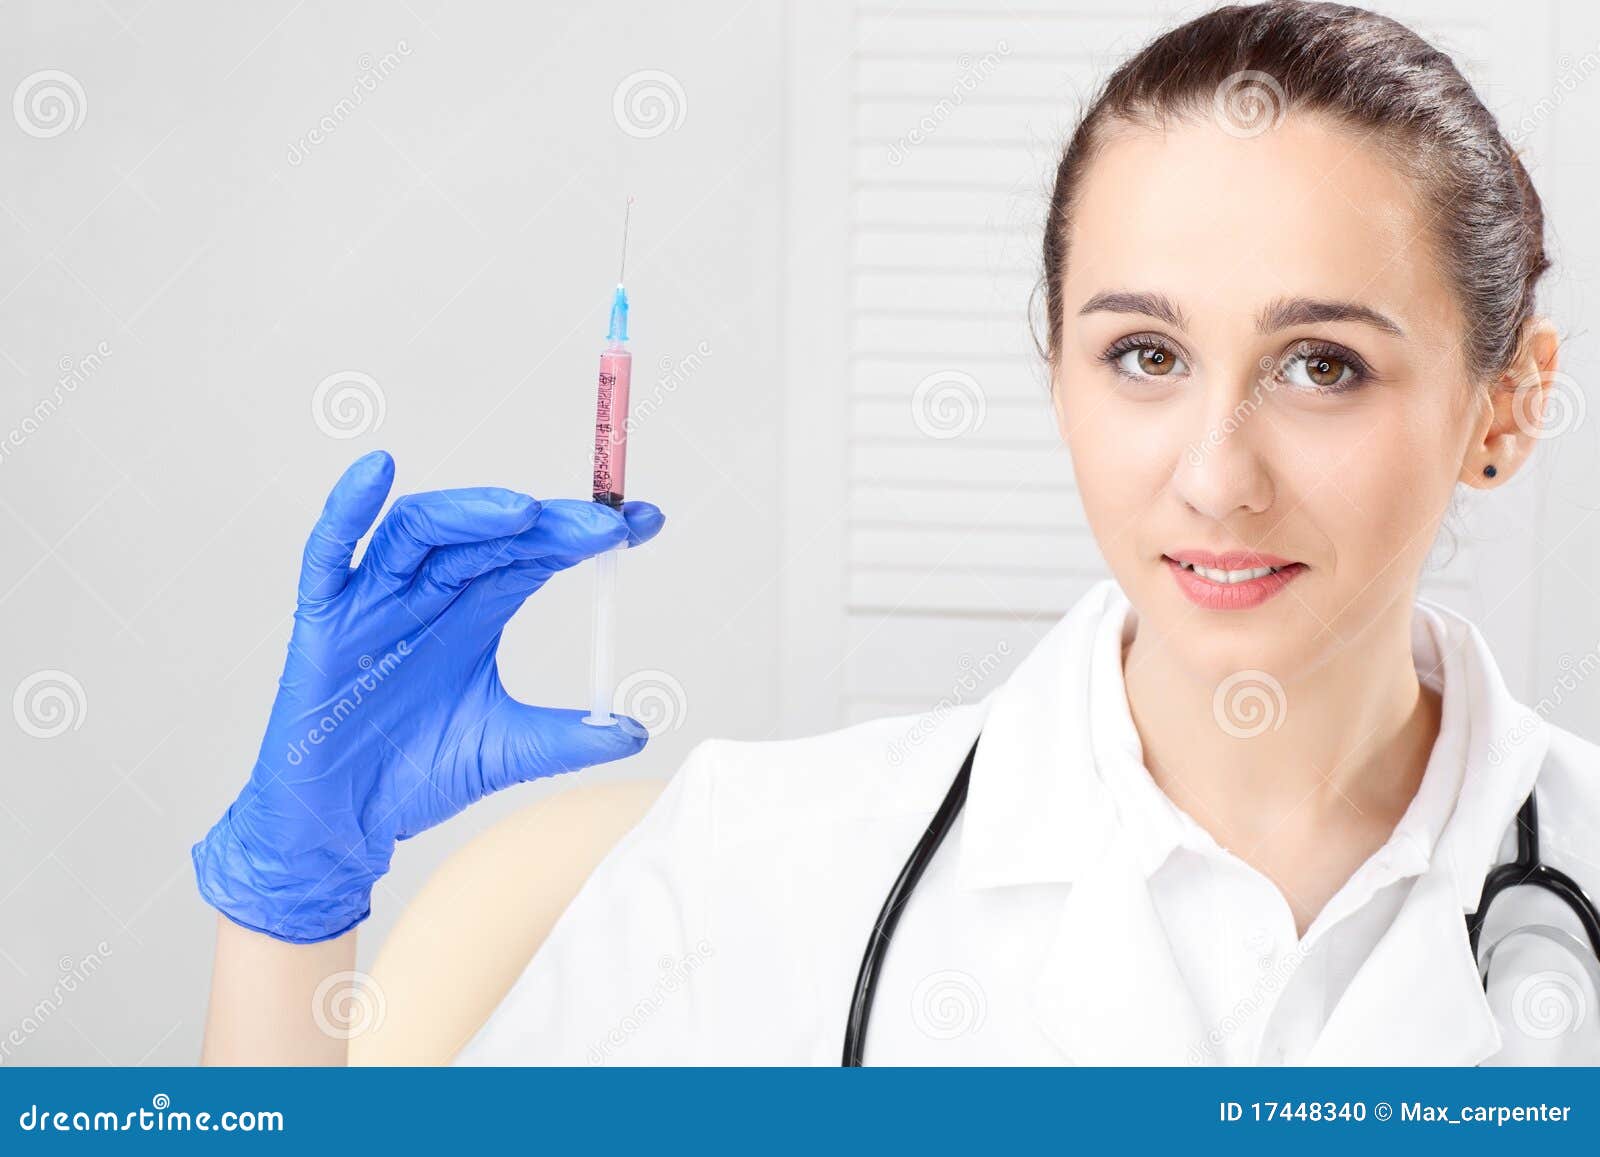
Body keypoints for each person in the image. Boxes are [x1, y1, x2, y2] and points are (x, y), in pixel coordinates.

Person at [194, 0, 1600, 1065]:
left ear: (1508, 404)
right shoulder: (759, 865)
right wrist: (291, 907)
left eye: (1322, 365)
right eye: (1147, 357)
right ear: (1060, 371)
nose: (1216, 477)